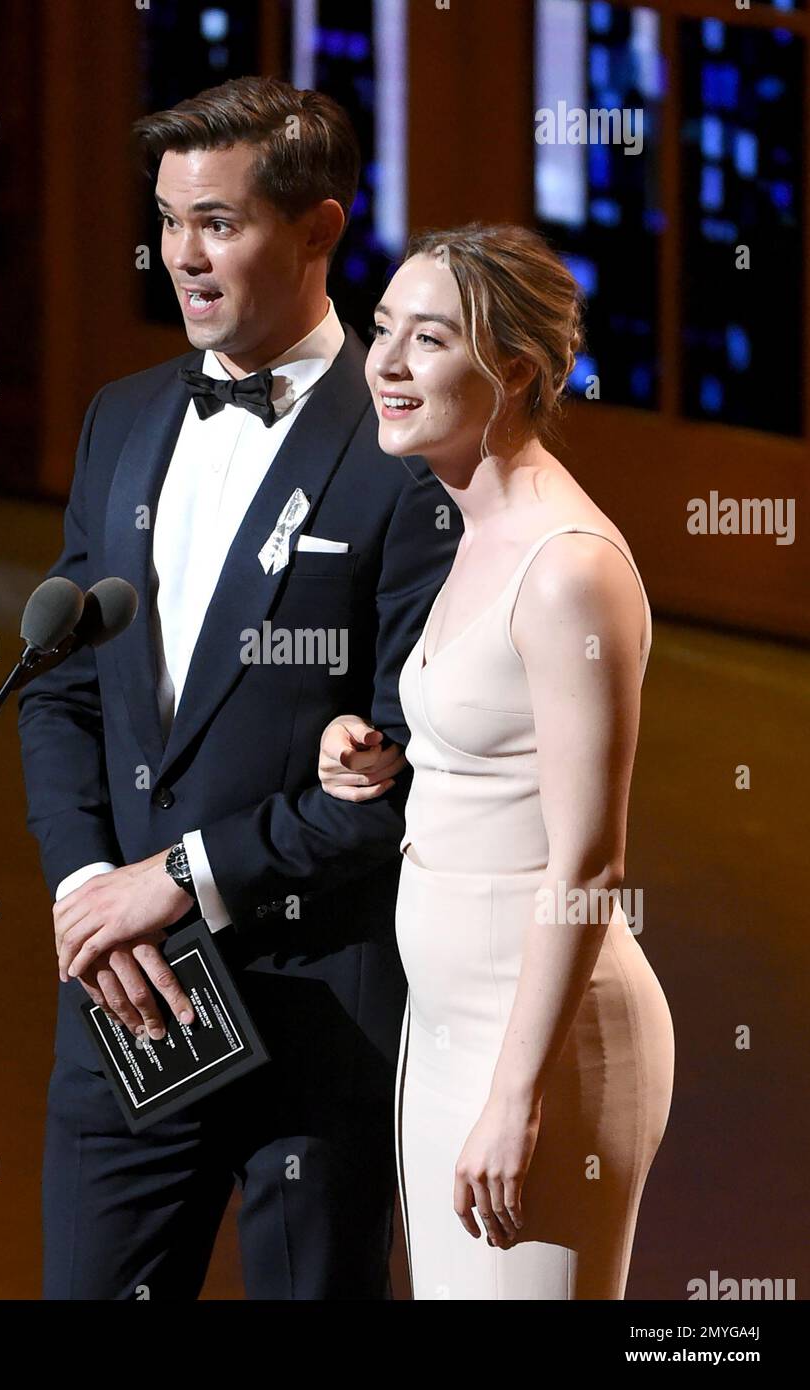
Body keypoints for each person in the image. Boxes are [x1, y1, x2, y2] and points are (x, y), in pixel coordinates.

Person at [15, 76, 460, 1299]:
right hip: (130, 1003)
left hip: (319, 1022)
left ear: (319, 229)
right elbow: (57, 692)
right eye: (168, 221)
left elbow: (403, 776)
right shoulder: (121, 420)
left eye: (219, 222)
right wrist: (89, 890)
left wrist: (180, 878)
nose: (182, 257)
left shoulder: (409, 453)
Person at [317, 223, 675, 1300]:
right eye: (382, 330)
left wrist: (516, 1095)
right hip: (448, 1023)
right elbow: (490, 743)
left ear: (513, 370)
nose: (383, 363)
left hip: (543, 1049)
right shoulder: (469, 521)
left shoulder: (569, 573)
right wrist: (379, 754)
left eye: (427, 339)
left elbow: (588, 865)